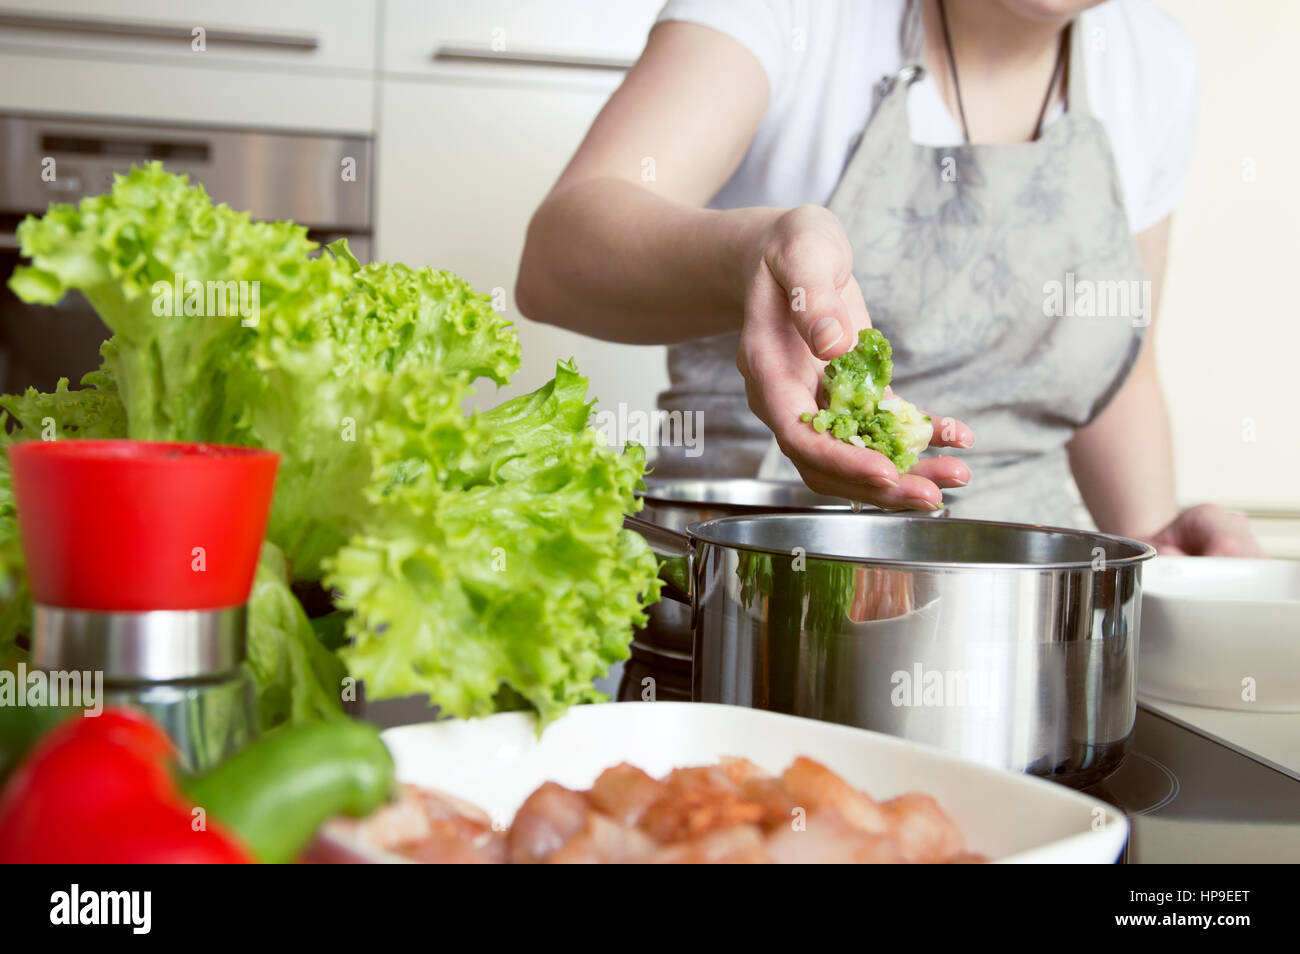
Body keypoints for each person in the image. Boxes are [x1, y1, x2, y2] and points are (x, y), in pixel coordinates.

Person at [516, 0, 1261, 556]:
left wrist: (1153, 549)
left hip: (1021, 605)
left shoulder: (1153, 59)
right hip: (750, 578)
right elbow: (557, 259)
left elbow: (1113, 376)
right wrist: (757, 252)